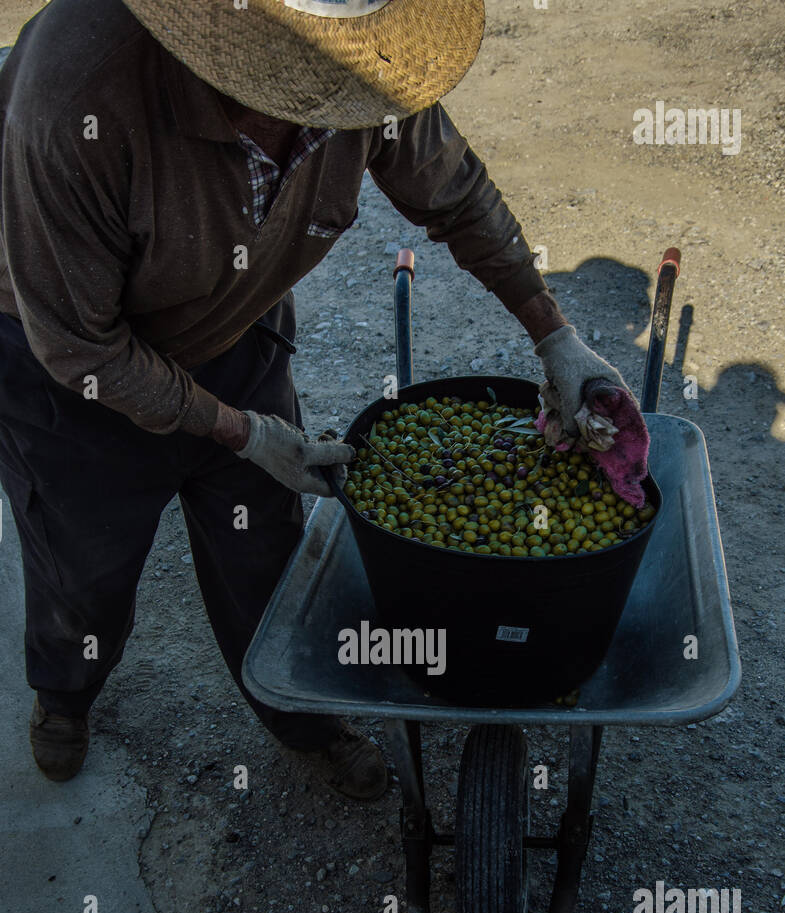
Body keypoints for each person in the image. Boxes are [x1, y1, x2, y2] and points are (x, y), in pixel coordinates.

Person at [0, 0, 638, 794]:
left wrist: (554, 335)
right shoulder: (79, 92)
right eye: (297, 78)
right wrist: (241, 433)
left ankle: (300, 718)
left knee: (265, 551)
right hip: (67, 365)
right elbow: (78, 344)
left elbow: (453, 191)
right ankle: (65, 696)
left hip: (233, 329)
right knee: (82, 567)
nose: (333, 105)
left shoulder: (365, 66)